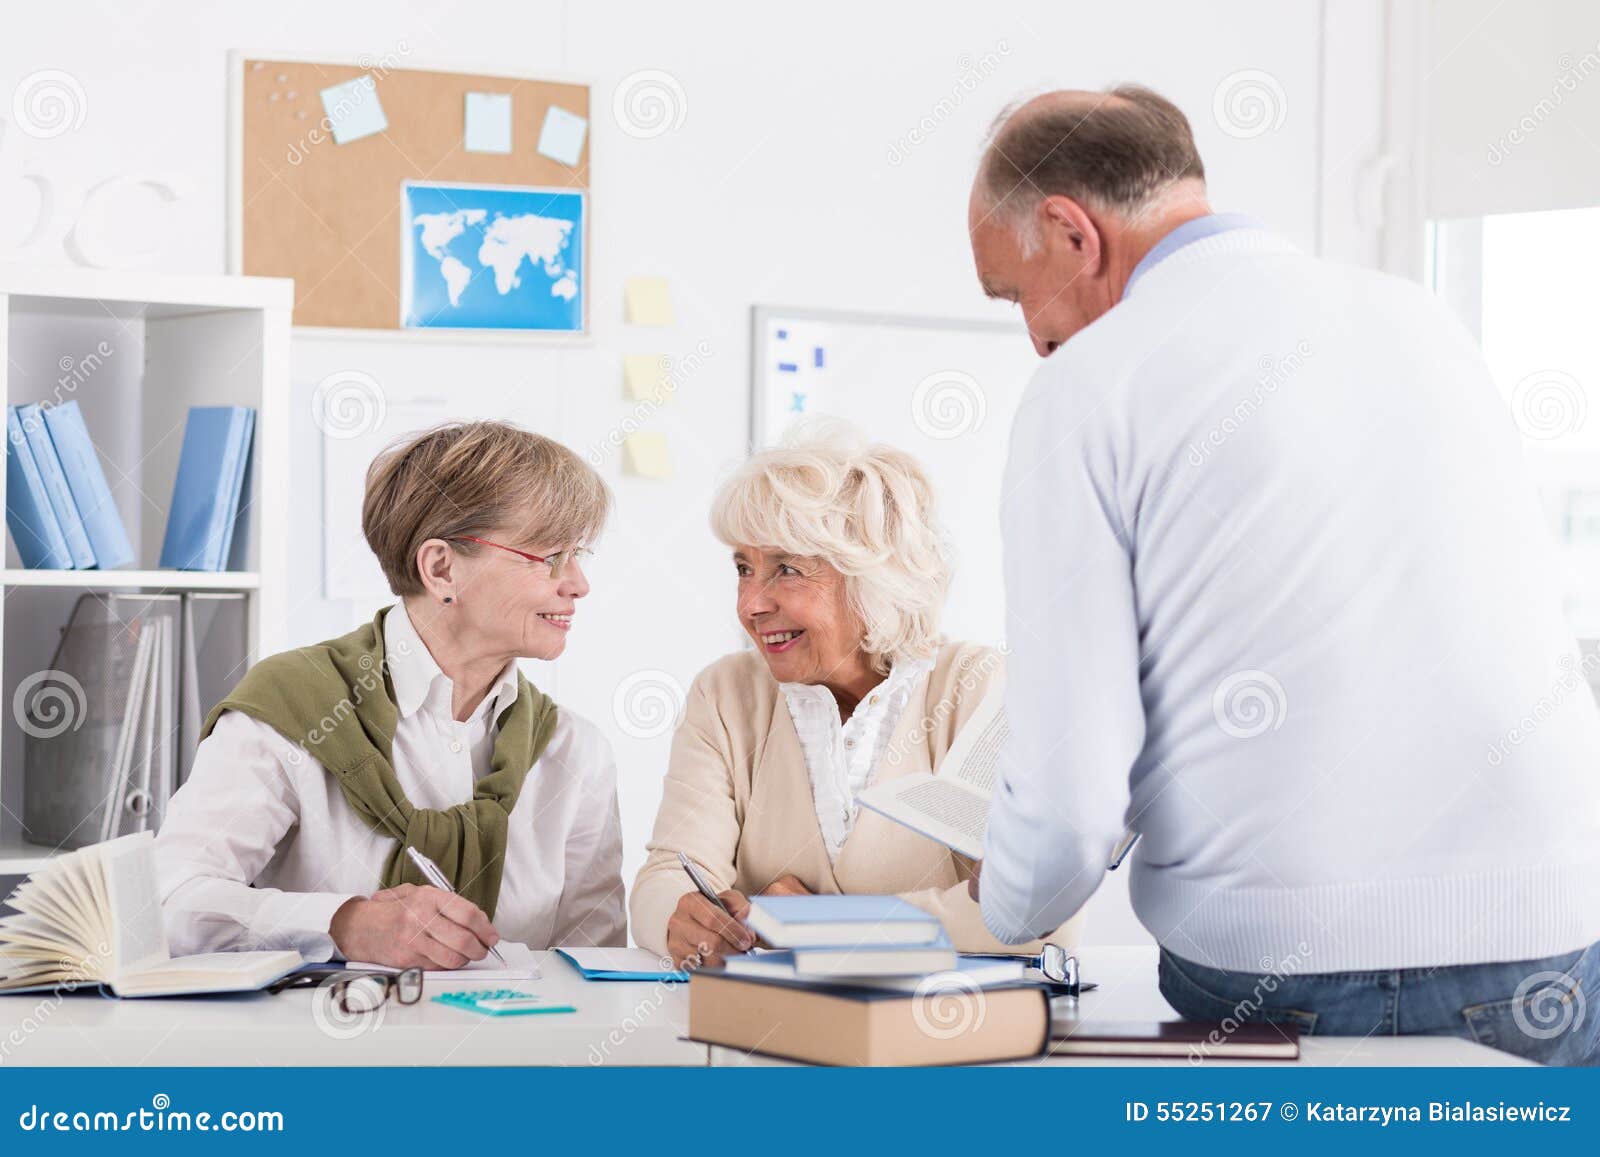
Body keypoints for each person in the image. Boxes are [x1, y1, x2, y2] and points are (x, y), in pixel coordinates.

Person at [967, 85, 1600, 1063]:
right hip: (1554, 934)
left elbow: (1066, 807)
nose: (1035, 337)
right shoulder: (1421, 317)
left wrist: (1002, 900)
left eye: (1015, 294)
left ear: (1070, 231)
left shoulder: (1084, 386)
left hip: (1287, 967)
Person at [156, 421, 626, 968]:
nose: (578, 584)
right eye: (549, 556)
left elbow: (594, 970)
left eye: (578, 554)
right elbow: (170, 901)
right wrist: (342, 923)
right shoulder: (291, 706)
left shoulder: (574, 751)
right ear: (441, 568)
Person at [630, 425, 1080, 967]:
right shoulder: (725, 694)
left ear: (873, 576)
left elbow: (1043, 909)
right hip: (761, 1016)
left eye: (786, 570)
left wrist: (822, 924)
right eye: (744, 569)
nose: (750, 604)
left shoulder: (981, 685)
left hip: (941, 1018)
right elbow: (669, 874)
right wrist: (677, 917)